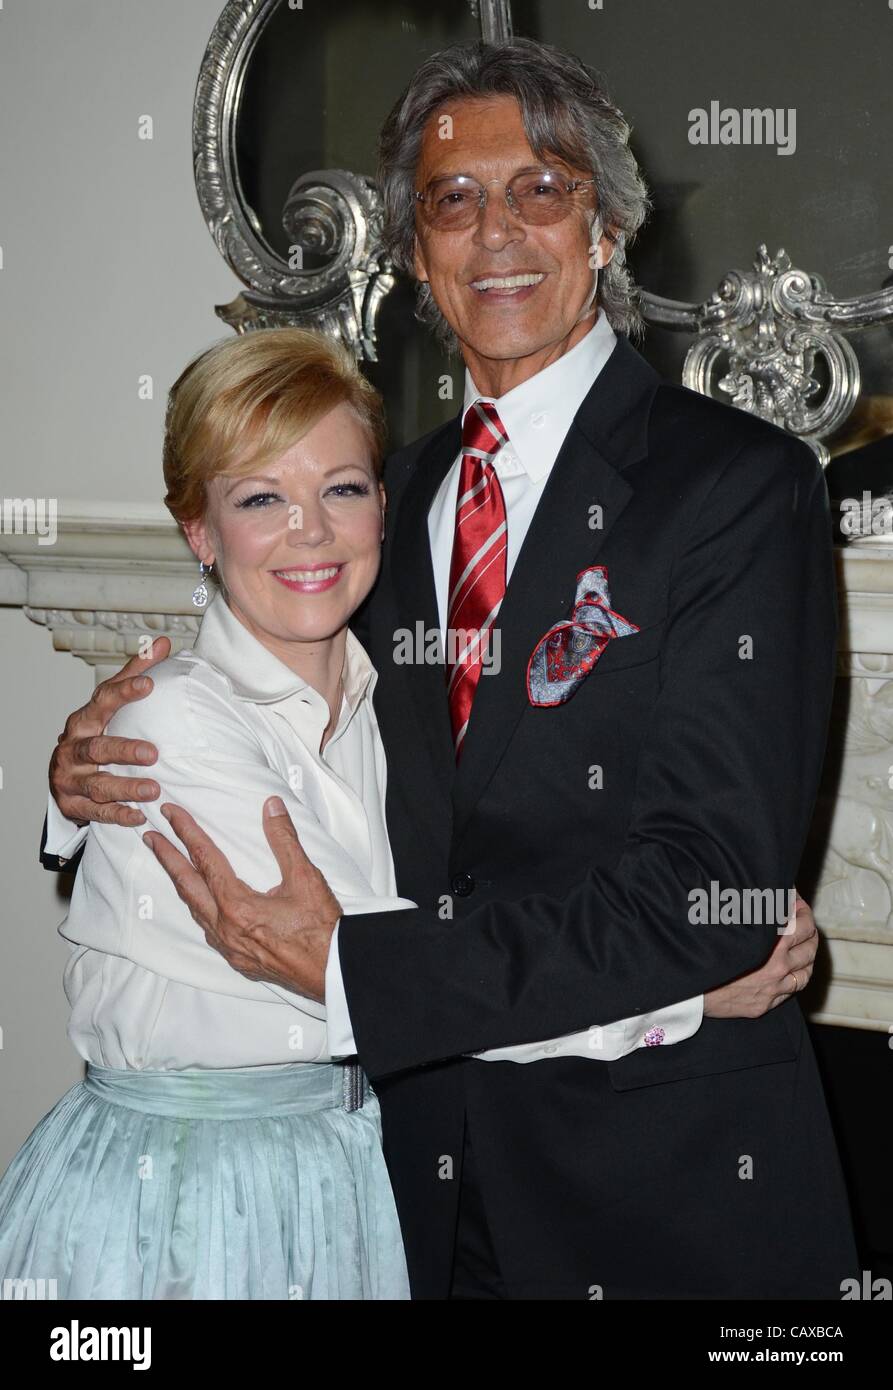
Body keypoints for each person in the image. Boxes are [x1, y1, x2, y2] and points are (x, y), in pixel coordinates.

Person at [42, 39, 857, 1299]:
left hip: (663, 1200)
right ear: (416, 255)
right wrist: (85, 767)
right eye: (450, 200)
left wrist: (357, 970)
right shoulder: (376, 501)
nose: (495, 233)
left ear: (607, 231)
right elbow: (279, 735)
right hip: (403, 1191)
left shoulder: (736, 488)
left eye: (542, 188)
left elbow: (706, 888)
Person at [1, 329, 418, 1299]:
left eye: (341, 488)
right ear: (198, 530)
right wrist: (669, 992)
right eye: (260, 497)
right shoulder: (166, 715)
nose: (308, 529)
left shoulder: (384, 704)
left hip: (340, 1172)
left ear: (381, 507)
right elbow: (399, 963)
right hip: (189, 1198)